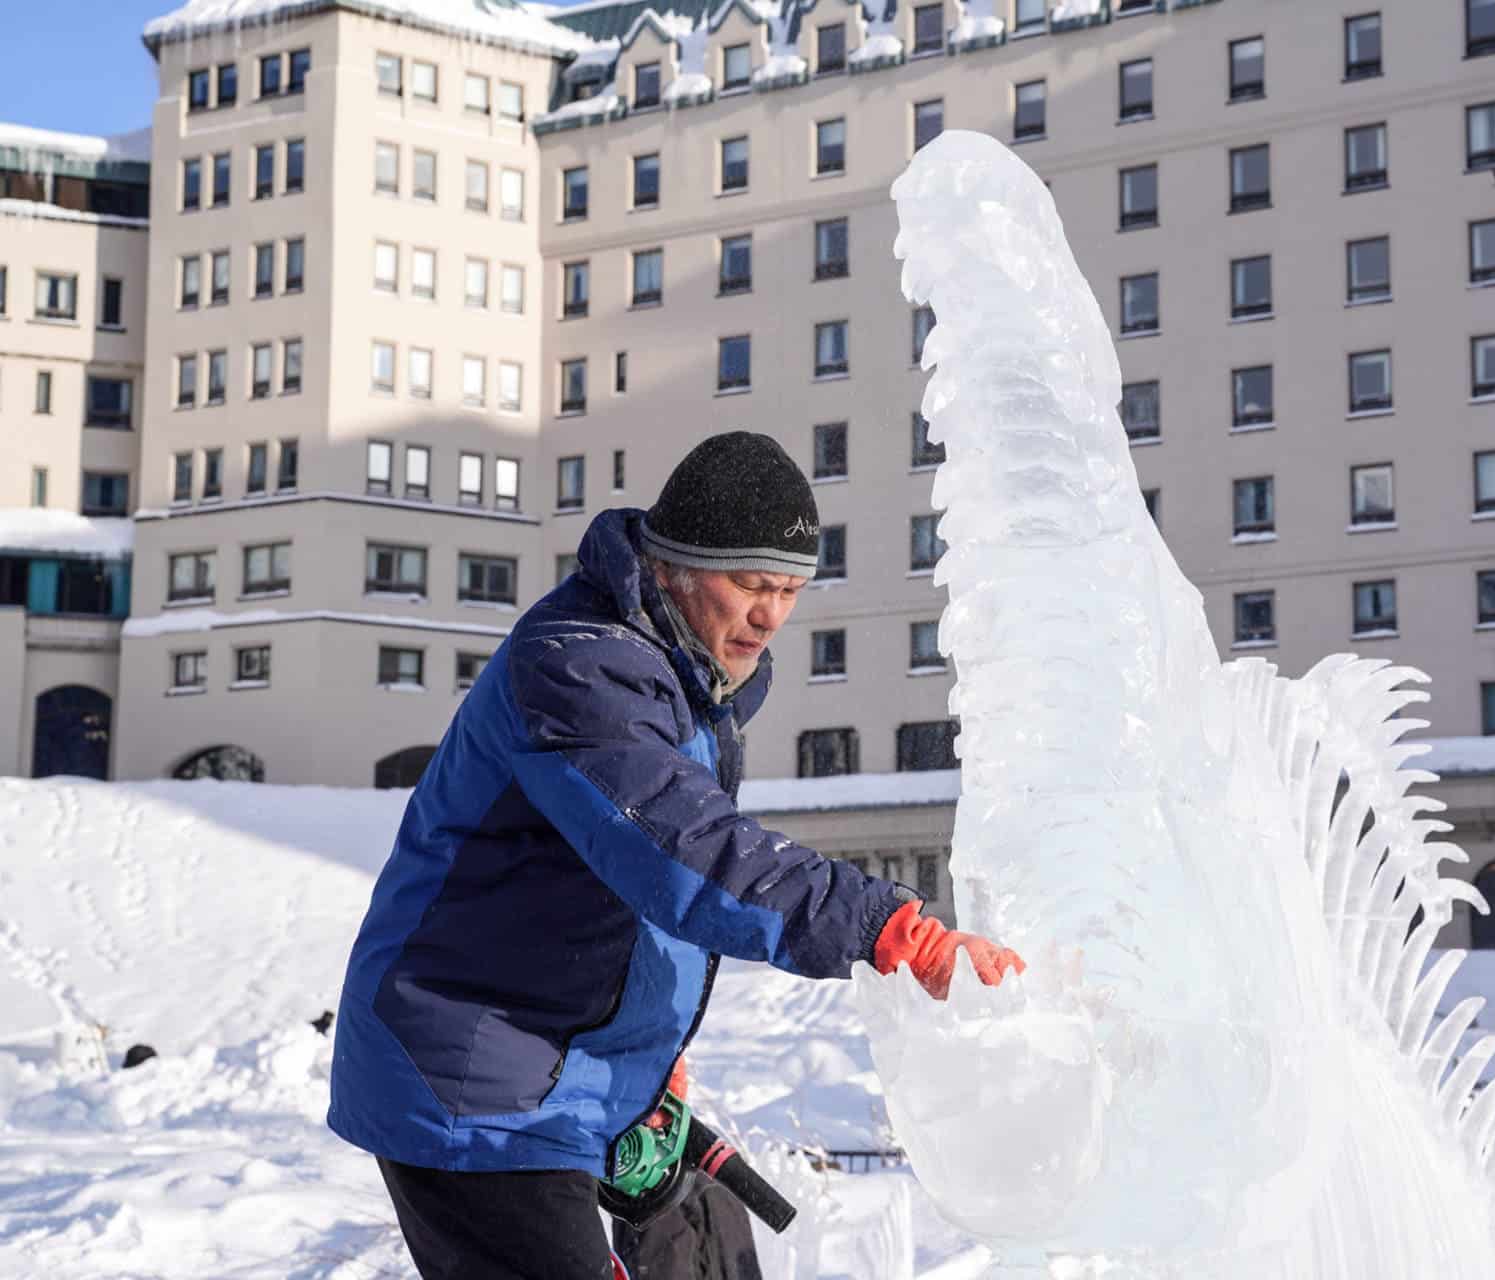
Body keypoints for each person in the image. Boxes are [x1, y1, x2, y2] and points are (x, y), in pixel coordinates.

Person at [327, 432, 1024, 1280]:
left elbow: (623, 895)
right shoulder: (579, 670)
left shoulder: (678, 682)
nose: (772, 615)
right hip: (471, 1088)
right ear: (673, 567)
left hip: (570, 1071)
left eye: (791, 590)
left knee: (713, 1253)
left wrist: (650, 1053)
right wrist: (892, 934)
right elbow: (688, 857)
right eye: (752, 585)